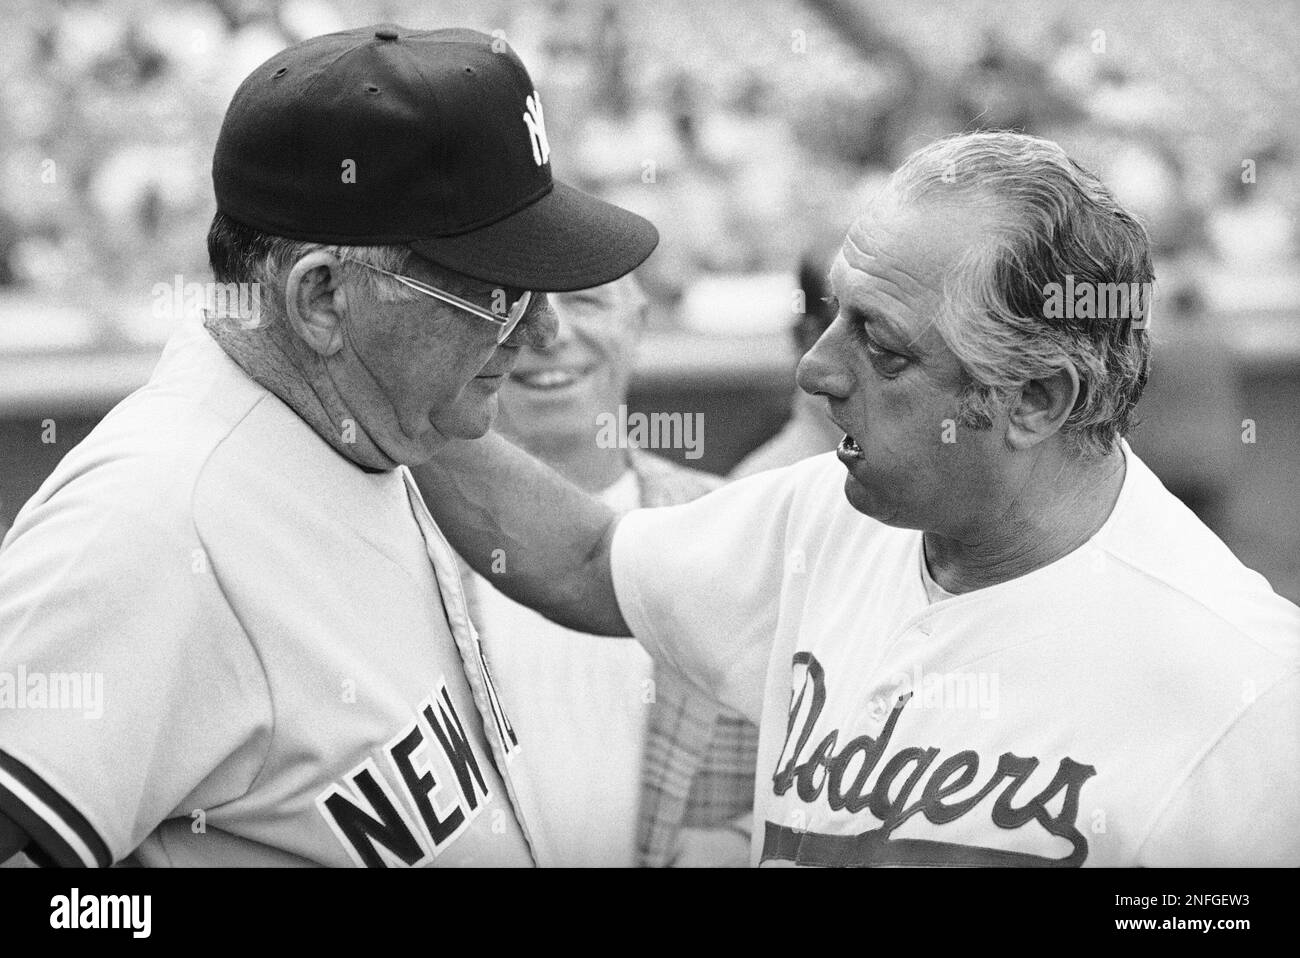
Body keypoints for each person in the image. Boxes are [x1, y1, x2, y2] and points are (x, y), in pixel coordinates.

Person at [413, 131, 1300, 867]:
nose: (814, 369)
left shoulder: (1249, 691)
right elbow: (583, 561)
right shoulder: (819, 514)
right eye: (834, 314)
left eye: (883, 345)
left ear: (1036, 401)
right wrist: (406, 387)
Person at [0, 25, 657, 867]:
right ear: (322, 298)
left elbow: (590, 558)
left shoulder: (379, 423)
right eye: (498, 292)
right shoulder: (153, 522)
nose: (543, 327)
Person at [438, 274, 758, 867]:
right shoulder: (407, 537)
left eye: (585, 298)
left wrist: (747, 838)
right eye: (510, 304)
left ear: (638, 323)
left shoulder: (738, 530)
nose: (550, 333)